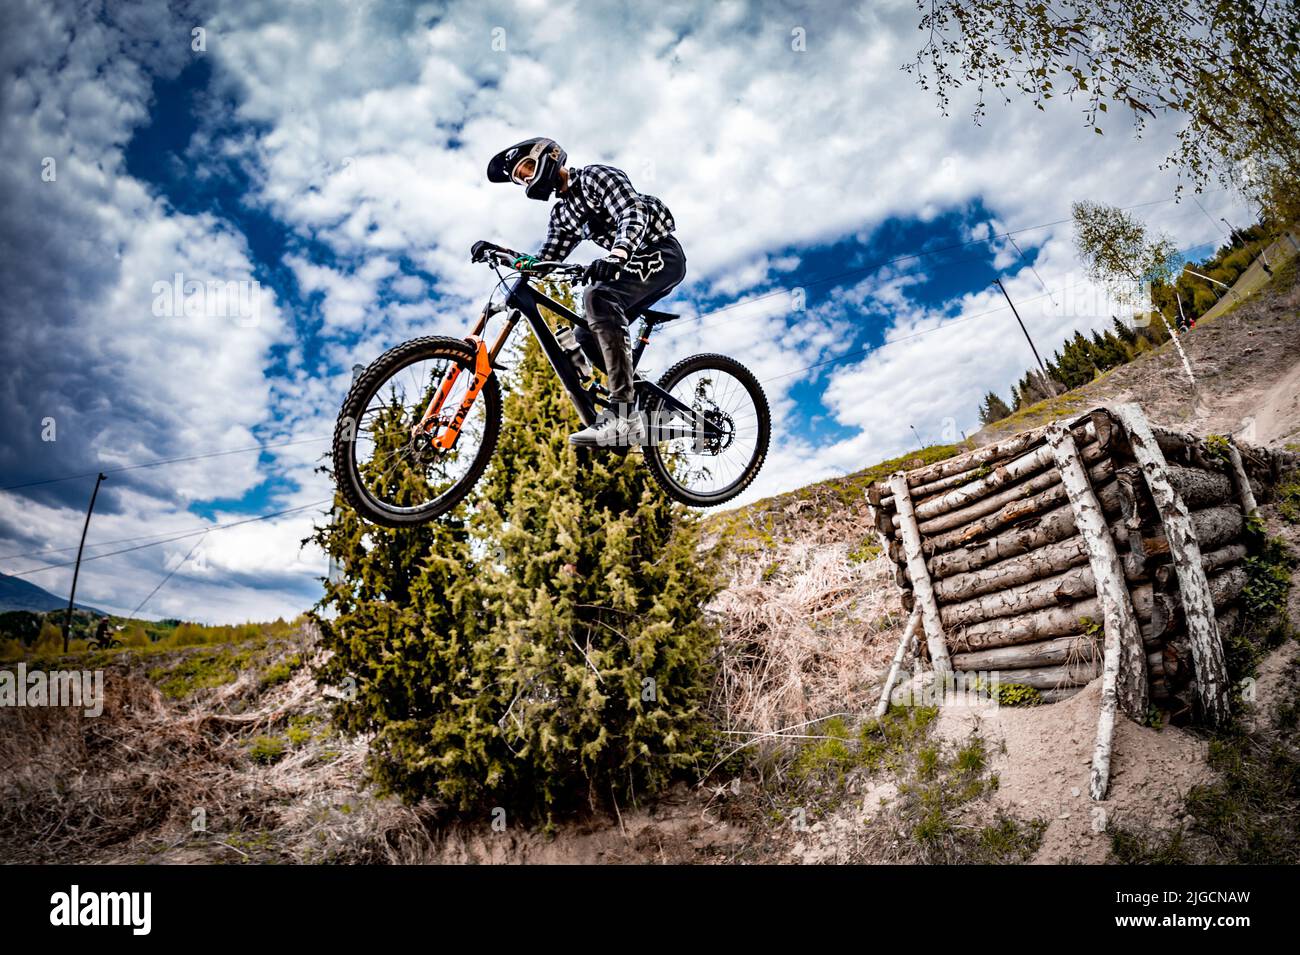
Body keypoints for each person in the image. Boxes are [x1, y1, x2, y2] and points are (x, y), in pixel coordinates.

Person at [480, 137, 686, 447]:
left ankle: (622, 415)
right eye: (519, 179)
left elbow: (632, 212)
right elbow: (545, 261)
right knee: (584, 335)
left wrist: (616, 256)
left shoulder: (595, 177)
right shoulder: (562, 215)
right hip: (629, 261)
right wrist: (502, 253)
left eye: (525, 169)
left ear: (543, 155)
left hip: (659, 254)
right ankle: (650, 402)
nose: (525, 179)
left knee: (597, 296)